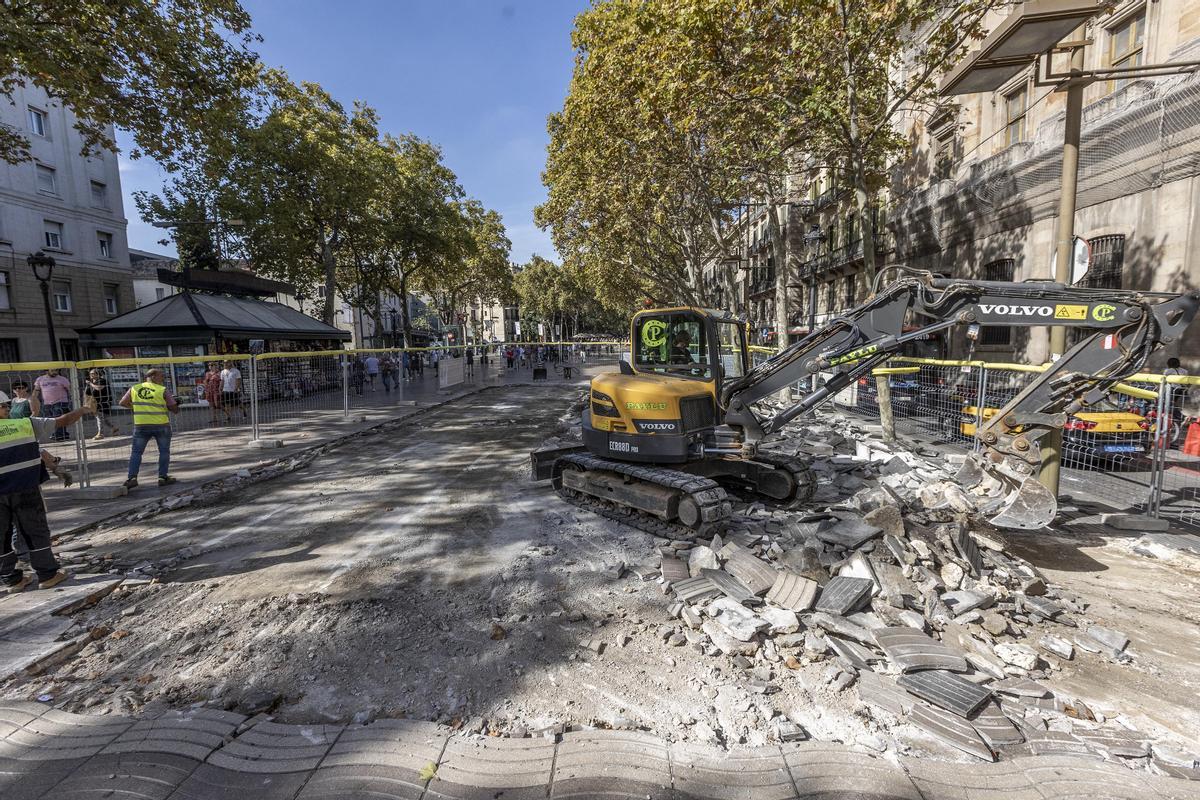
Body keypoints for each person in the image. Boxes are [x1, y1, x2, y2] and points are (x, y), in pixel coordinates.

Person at [1, 390, 96, 592]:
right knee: (36, 532)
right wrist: (84, 409)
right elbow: (62, 421)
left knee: (1, 536)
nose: (8, 409)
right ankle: (47, 575)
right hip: (25, 489)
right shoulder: (25, 425)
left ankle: (12, 580)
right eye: (5, 406)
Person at [119, 368, 180, 489]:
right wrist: (176, 404)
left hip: (141, 425)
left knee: (136, 452)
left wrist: (135, 407)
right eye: (161, 376)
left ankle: (132, 478)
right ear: (153, 376)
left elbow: (122, 402)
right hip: (161, 425)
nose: (163, 379)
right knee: (164, 451)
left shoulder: (134, 388)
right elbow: (174, 409)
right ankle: (162, 477)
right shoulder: (162, 390)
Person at [34, 369, 72, 442]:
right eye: (53, 371)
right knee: (51, 419)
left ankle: (59, 435)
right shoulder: (40, 379)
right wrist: (34, 398)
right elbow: (36, 390)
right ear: (47, 371)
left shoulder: (62, 379)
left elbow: (69, 389)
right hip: (47, 403)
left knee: (58, 418)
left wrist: (73, 398)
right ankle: (64, 434)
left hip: (61, 402)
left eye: (56, 371)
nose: (55, 372)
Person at [84, 369, 120, 440]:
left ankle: (100, 434)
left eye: (93, 373)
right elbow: (87, 392)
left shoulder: (102, 380)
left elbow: (99, 388)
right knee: (103, 418)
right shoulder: (91, 382)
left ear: (98, 374)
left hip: (103, 402)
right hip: (95, 402)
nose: (91, 375)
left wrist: (90, 384)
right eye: (90, 374)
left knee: (100, 417)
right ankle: (114, 428)